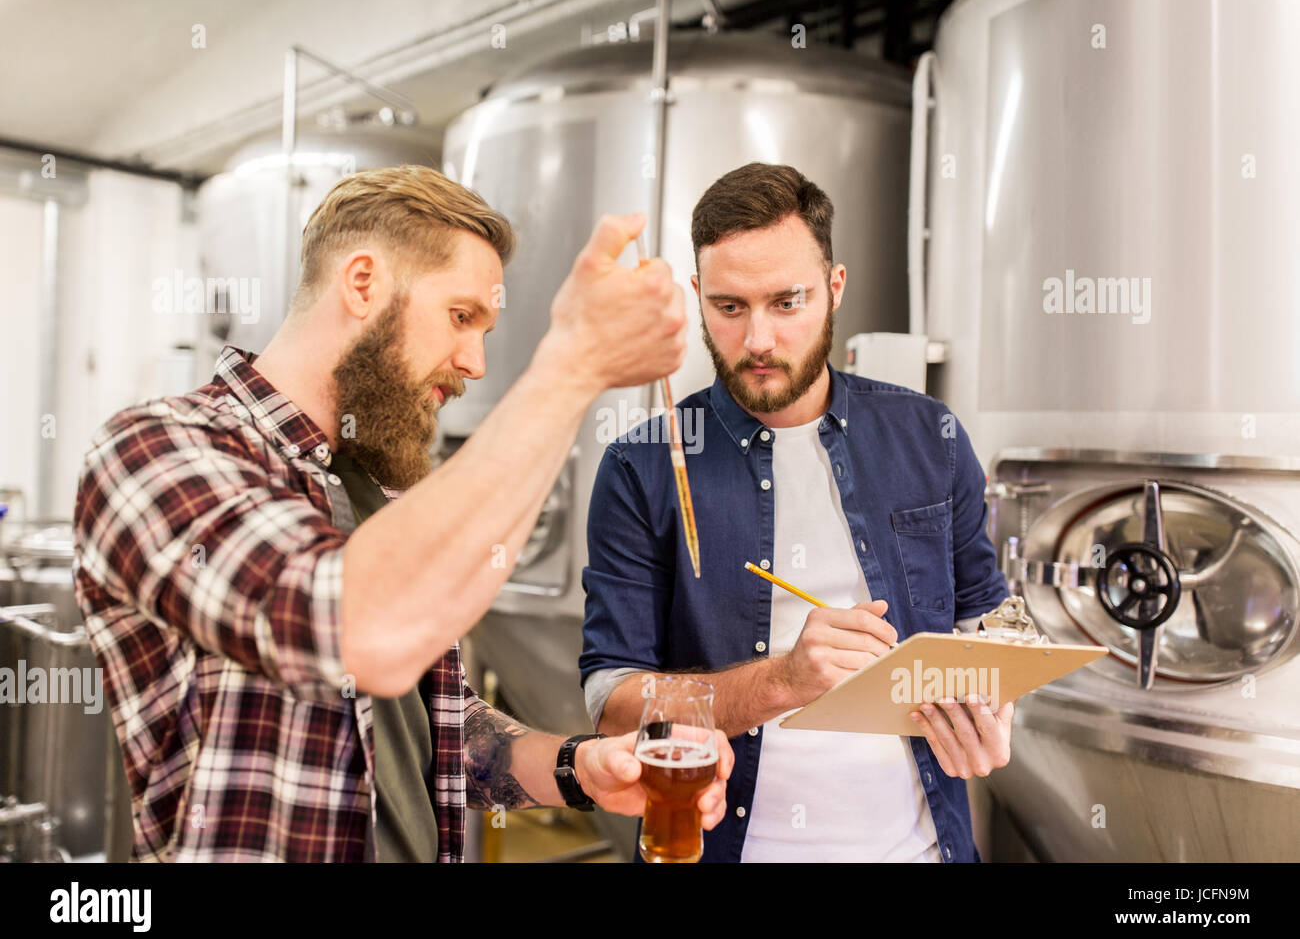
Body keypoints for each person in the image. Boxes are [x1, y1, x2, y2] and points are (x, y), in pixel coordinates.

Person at [72, 165, 731, 861]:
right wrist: (571, 367)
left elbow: (449, 729)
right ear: (362, 283)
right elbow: (362, 630)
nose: (475, 362)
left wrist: (581, 768)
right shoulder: (158, 450)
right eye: (460, 316)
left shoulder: (381, 489)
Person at [580, 163, 1012, 863]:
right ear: (697, 297)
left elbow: (985, 624)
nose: (757, 340)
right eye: (728, 307)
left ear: (834, 288)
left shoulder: (929, 435)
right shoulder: (645, 465)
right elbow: (612, 699)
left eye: (787, 302)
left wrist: (991, 704)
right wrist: (783, 681)